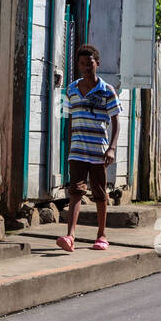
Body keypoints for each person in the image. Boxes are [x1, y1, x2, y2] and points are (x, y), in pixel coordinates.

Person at [57, 44, 120, 252]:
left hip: (98, 151)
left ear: (97, 63)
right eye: (82, 64)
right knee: (75, 192)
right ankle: (70, 236)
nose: (86, 67)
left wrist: (111, 148)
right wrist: (68, 147)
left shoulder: (107, 91)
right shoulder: (71, 90)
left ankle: (101, 235)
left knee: (100, 194)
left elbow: (116, 122)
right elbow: (67, 120)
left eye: (89, 63)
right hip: (77, 150)